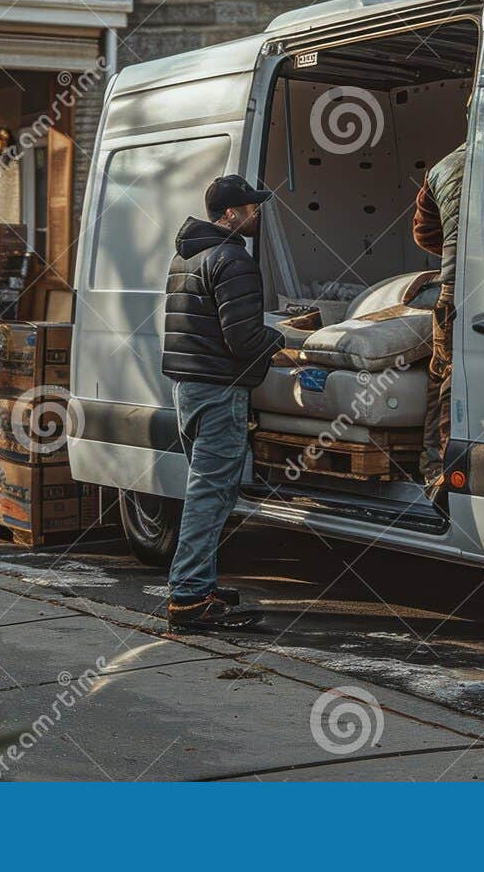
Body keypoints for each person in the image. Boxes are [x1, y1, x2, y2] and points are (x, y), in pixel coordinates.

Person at [161, 174, 285, 631]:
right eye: (251, 208)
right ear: (231, 214)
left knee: (204, 491)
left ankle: (200, 584)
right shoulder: (233, 259)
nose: (257, 214)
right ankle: (191, 598)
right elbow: (242, 338)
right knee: (209, 498)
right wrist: (281, 339)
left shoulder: (186, 255)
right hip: (218, 391)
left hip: (188, 389)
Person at [413, 142, 468, 498]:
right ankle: (447, 473)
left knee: (444, 373)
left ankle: (435, 465)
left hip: (453, 287)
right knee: (455, 376)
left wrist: (453, 249)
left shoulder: (443, 165)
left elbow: (423, 232)